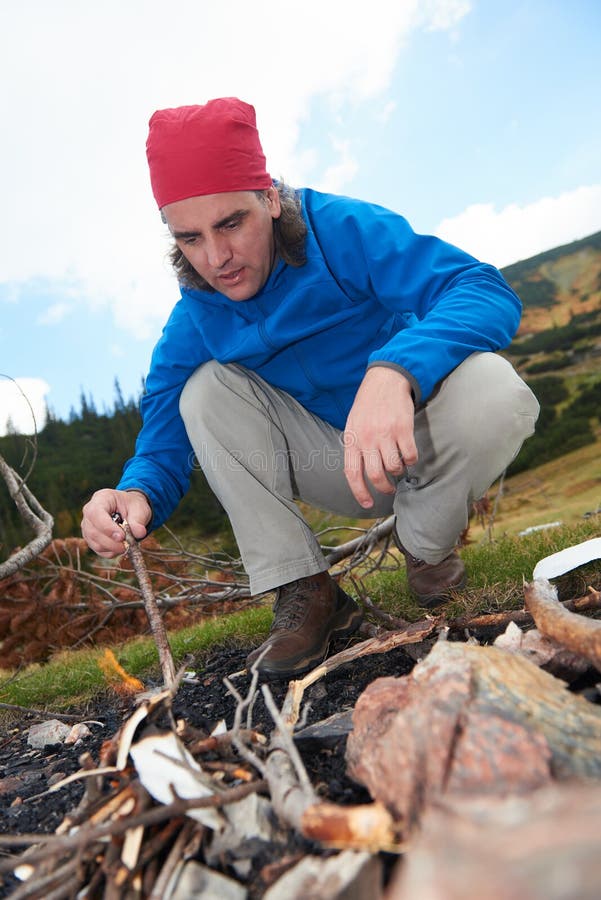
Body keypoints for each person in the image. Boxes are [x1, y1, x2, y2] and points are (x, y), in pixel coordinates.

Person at [81, 97, 539, 678]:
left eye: (231, 223)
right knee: (203, 389)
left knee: (495, 388)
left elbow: (481, 289)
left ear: (270, 198)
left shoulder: (342, 230)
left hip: (418, 437)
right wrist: (134, 494)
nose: (217, 258)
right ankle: (308, 592)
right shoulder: (194, 317)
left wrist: (395, 370)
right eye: (190, 238)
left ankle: (426, 550)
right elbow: (163, 441)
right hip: (337, 465)